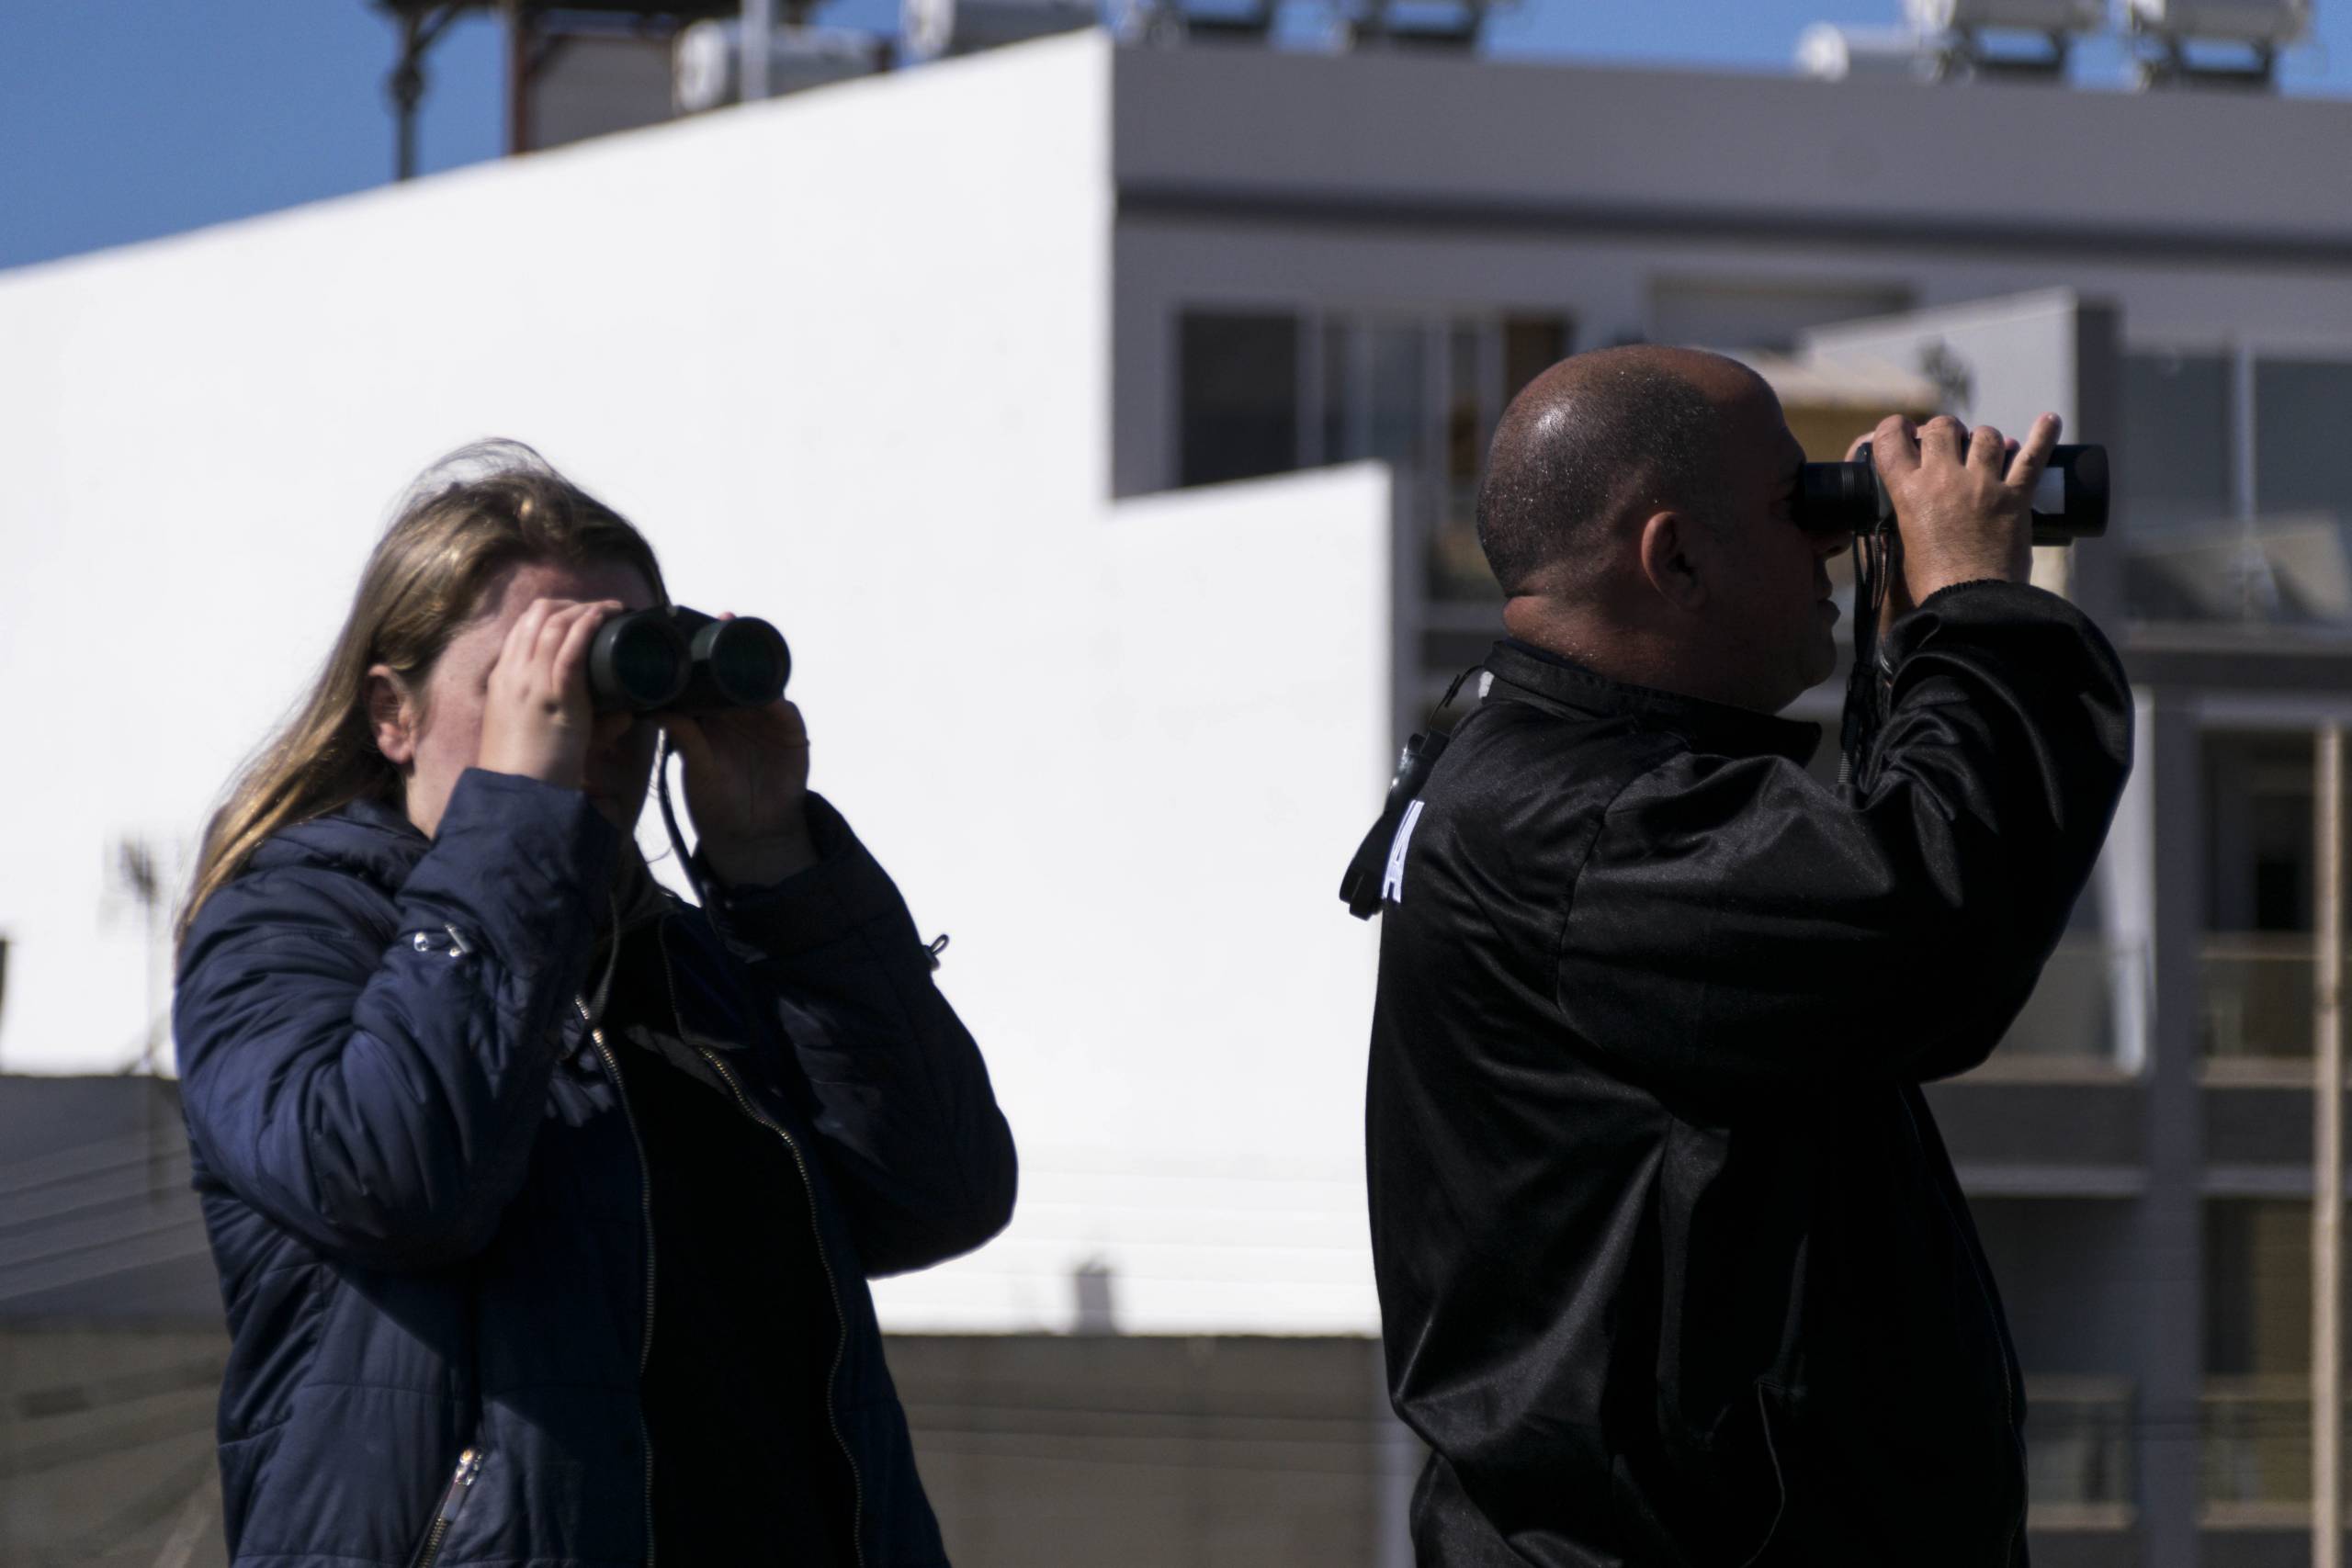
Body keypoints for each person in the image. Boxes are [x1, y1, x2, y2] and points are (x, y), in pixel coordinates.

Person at [171, 443, 1016, 1568]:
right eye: (540, 682)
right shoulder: (285, 933)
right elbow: (399, 1183)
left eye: (626, 672)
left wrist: (776, 864)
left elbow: (941, 1196)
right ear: (393, 713)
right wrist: (521, 816)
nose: (597, 726)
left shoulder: (686, 961)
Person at [1363, 346, 2132, 1566]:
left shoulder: (1564, 785)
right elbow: (1934, 931)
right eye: (1801, 509)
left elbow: (1848, 929)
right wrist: (1979, 615)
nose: (1831, 543)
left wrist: (1906, 654)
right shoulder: (1576, 828)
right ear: (1674, 557)